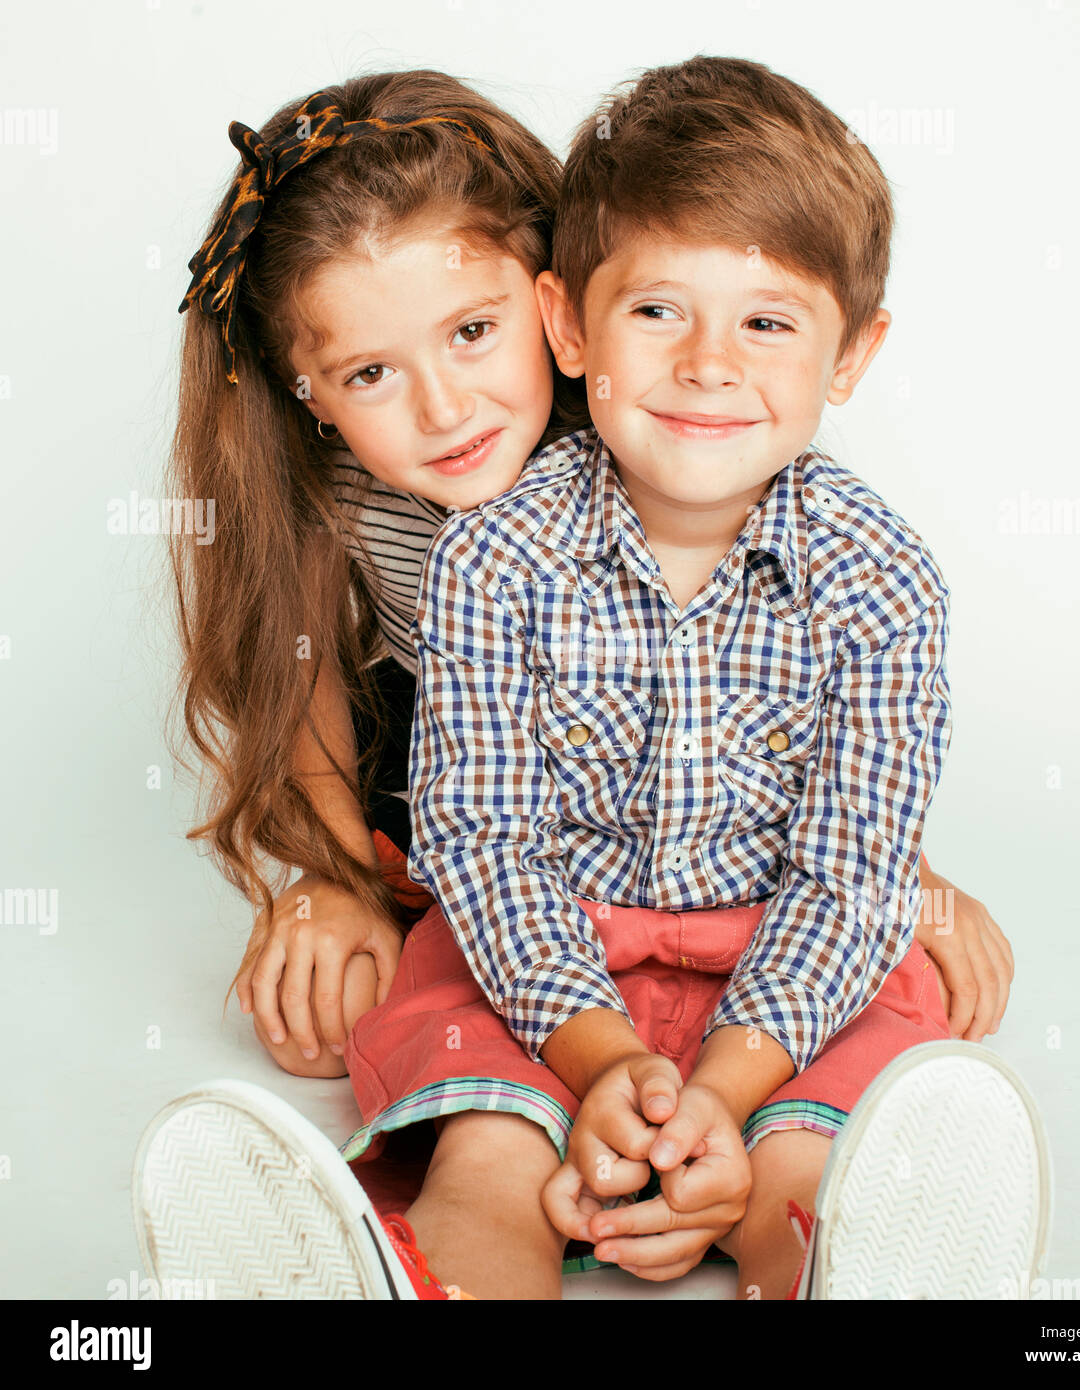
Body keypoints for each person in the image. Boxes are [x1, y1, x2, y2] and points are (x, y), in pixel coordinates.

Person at [158, 62, 1022, 1300]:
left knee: (809, 1161)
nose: (446, 403)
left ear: (542, 311)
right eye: (368, 373)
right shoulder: (473, 552)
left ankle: (876, 1267)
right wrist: (333, 877)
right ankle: (412, 1274)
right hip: (528, 909)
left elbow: (845, 838)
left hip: (766, 923)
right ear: (585, 322)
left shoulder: (836, 545)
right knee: (494, 1145)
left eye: (470, 331)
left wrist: (901, 890)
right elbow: (473, 830)